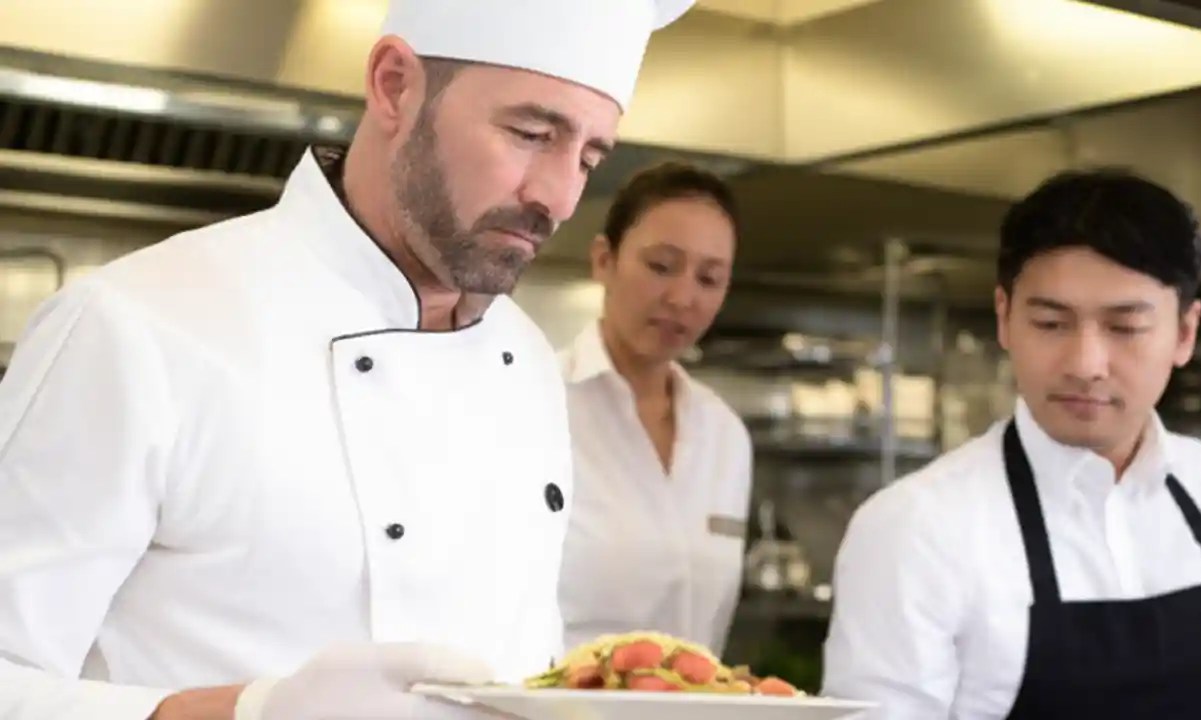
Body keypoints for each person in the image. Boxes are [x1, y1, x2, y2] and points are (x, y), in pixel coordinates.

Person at [0, 1, 695, 719]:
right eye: (528, 133)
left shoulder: (527, 359)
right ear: (395, 85)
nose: (556, 195)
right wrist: (249, 713)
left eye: (587, 158)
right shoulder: (135, 329)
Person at [821, 169, 1201, 719]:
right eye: (1050, 323)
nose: (1086, 365)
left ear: (1185, 332)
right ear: (1004, 318)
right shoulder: (916, 528)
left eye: (1125, 327)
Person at [556, 162, 752, 656]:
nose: (682, 297)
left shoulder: (724, 435)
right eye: (661, 266)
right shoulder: (536, 402)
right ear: (604, 260)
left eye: (709, 278)